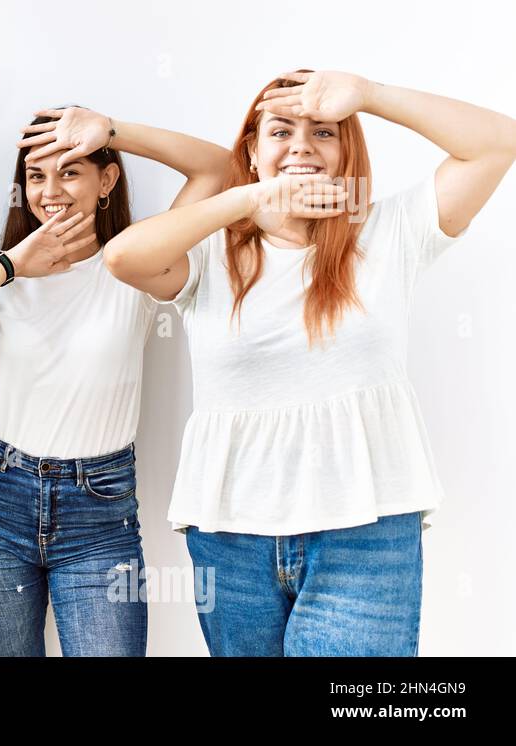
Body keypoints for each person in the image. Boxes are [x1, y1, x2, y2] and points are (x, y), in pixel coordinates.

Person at [104, 70, 516, 656]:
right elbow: (121, 258)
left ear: (347, 150)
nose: (300, 146)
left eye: (323, 131)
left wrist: (371, 94)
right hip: (231, 534)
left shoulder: (390, 231)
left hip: (366, 531)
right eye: (280, 131)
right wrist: (248, 198)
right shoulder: (208, 253)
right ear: (250, 149)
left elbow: (497, 142)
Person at [0, 105, 228, 656]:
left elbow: (217, 171)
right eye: (36, 175)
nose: (50, 191)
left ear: (107, 180)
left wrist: (114, 131)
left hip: (99, 511)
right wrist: (10, 265)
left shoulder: (133, 265)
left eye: (71, 169)